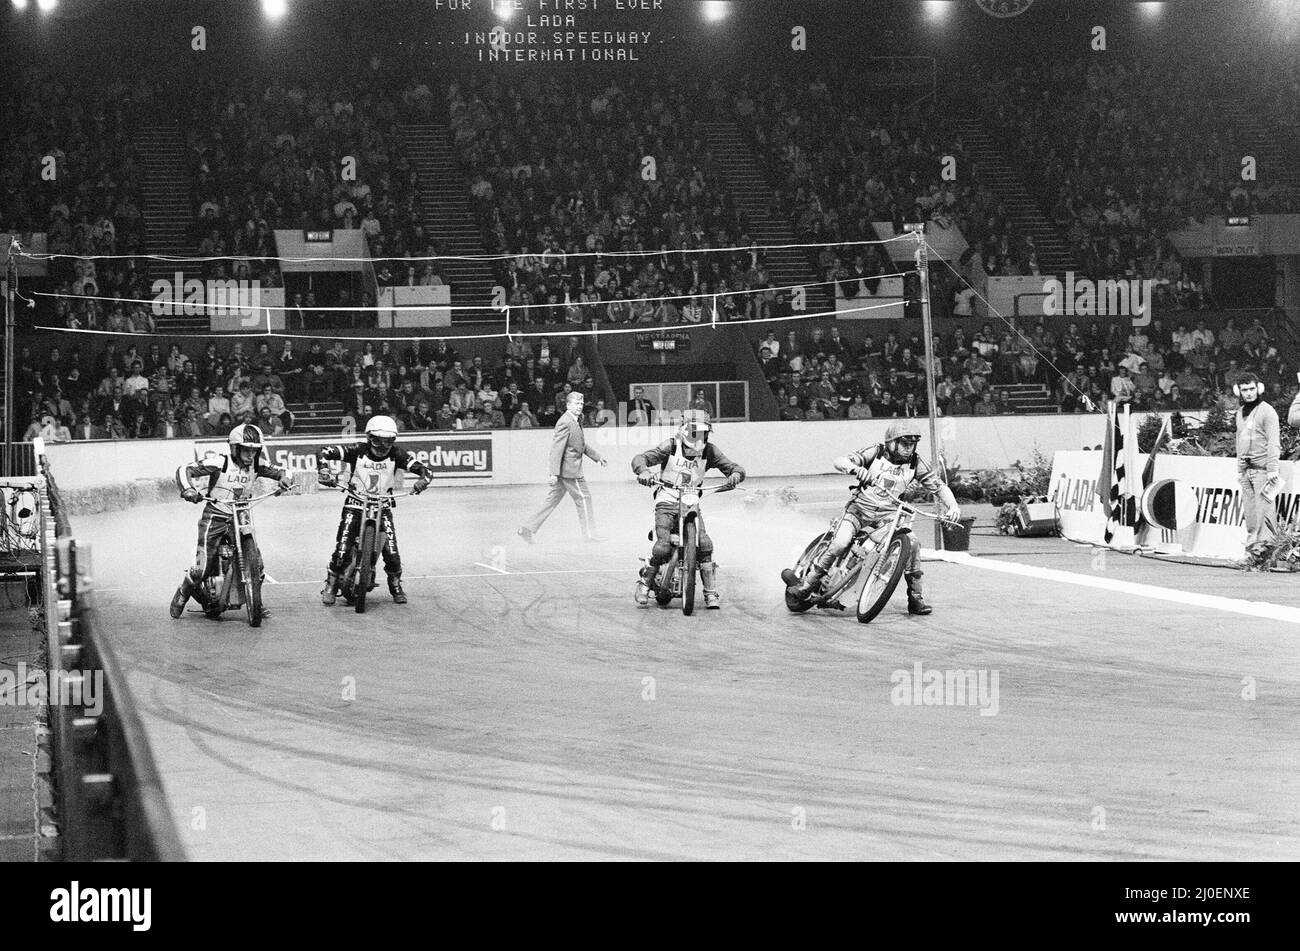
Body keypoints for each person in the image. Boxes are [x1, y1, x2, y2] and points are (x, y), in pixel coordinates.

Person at [781, 419, 960, 615]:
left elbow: (940, 487)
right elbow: (839, 461)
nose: (909, 449)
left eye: (912, 444)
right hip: (858, 511)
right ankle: (807, 584)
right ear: (891, 442)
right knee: (840, 543)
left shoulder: (916, 463)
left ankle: (915, 598)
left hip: (887, 517)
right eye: (904, 443)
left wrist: (953, 506)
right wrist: (856, 469)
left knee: (913, 543)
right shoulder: (875, 452)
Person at [170, 424, 294, 619]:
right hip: (215, 515)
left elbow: (285, 471)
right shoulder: (220, 462)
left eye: (254, 450)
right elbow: (184, 469)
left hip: (242, 515)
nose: (250, 455)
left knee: (258, 565)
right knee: (201, 568)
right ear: (235, 448)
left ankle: (255, 601)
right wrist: (188, 489)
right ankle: (184, 590)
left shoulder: (257, 465)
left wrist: (285, 480)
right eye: (246, 449)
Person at [631, 410, 744, 609]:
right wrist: (644, 471)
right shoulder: (670, 446)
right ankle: (645, 584)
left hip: (691, 502)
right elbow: (640, 458)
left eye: (703, 433)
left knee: (705, 545)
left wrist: (735, 474)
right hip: (666, 500)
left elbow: (734, 467)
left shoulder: (710, 451)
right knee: (663, 546)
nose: (699, 437)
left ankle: (710, 592)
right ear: (685, 430)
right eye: (695, 432)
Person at [316, 415, 432, 605]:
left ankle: (395, 586)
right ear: (369, 437)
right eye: (378, 440)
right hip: (355, 503)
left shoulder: (397, 454)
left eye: (388, 441)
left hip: (383, 505)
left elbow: (426, 471)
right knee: (342, 549)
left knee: (392, 554)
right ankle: (331, 584)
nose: (383, 445)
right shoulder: (357, 450)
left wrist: (422, 481)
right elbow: (324, 452)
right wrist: (324, 470)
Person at [517, 391, 608, 543]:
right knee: (584, 499)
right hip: (570, 471)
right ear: (568, 405)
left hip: (566, 471)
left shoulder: (577, 419)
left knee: (551, 501)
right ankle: (590, 535)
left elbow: (580, 443)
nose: (579, 406)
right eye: (576, 404)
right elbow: (556, 449)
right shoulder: (565, 422)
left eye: (581, 403)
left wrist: (597, 457)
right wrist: (553, 473)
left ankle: (526, 529)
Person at [1235, 373, 1281, 553]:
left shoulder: (1267, 411)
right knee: (1251, 516)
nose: (1248, 393)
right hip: (1246, 472)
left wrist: (1272, 469)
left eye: (1251, 389)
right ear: (1238, 391)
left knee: (1265, 514)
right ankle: (1254, 551)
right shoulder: (1239, 413)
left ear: (1259, 388)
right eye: (1244, 390)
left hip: (1263, 471)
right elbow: (1239, 440)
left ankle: (1268, 553)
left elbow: (1273, 441)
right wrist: (1239, 469)